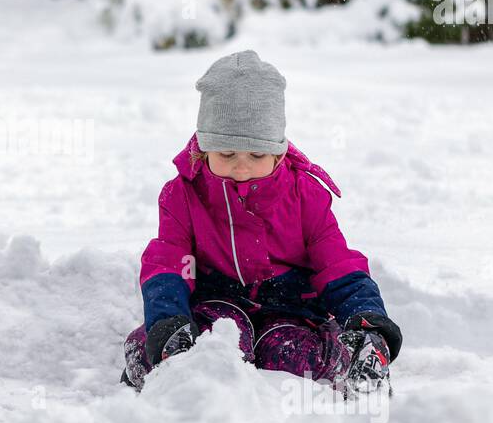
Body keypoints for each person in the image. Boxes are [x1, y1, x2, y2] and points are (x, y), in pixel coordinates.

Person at [122, 50, 402, 396]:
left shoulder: (305, 195)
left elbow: (336, 263)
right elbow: (168, 261)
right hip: (216, 305)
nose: (241, 167)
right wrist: (168, 321)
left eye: (256, 156)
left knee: (288, 355)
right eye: (227, 154)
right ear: (204, 148)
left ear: (279, 153)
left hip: (291, 310)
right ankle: (181, 367)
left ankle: (349, 357)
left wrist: (366, 319)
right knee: (188, 346)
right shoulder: (182, 194)